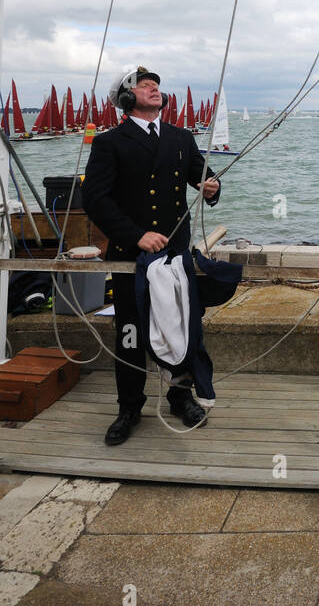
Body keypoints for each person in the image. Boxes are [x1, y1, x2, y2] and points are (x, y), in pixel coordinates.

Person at [82, 65, 222, 446]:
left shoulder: (181, 137)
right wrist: (137, 235)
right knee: (130, 331)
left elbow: (202, 176)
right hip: (132, 256)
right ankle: (129, 406)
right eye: (144, 86)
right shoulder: (110, 142)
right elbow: (94, 199)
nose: (153, 89)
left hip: (175, 254)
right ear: (127, 99)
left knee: (179, 324)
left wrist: (211, 188)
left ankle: (180, 396)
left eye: (156, 85)